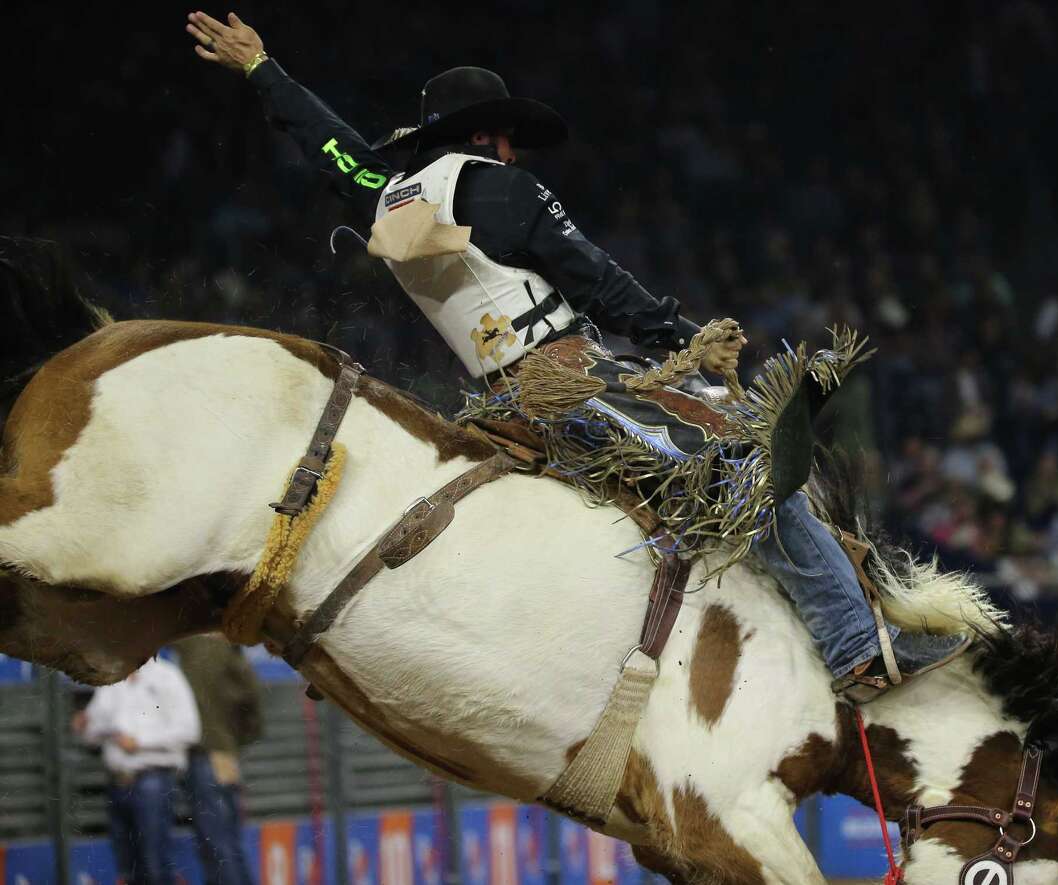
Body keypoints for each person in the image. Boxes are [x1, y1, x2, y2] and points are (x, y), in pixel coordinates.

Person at [185, 10, 967, 700]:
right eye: (509, 142)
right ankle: (856, 647)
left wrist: (263, 70)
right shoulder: (502, 189)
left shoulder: (388, 193)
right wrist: (680, 336)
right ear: (489, 136)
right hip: (568, 385)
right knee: (752, 461)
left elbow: (335, 149)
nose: (516, 154)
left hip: (498, 395)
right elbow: (597, 280)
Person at [72, 657, 201, 885]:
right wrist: (84, 726)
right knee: (127, 868)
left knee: (155, 864)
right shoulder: (111, 679)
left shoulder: (167, 676)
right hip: (118, 782)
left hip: (153, 779)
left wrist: (140, 741)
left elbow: (189, 730)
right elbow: (93, 733)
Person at [174, 634, 263, 885]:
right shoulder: (228, 648)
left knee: (216, 843)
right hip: (225, 752)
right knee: (229, 842)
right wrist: (239, 740)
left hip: (203, 753)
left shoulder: (186, 644)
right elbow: (251, 696)